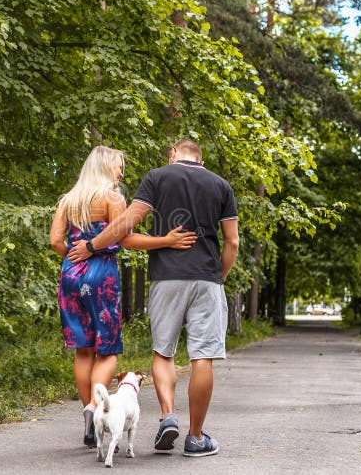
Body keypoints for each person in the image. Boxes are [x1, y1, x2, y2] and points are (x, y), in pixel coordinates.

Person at [68, 139, 239, 457]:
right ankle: (195, 437)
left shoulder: (157, 177)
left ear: (174, 154)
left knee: (164, 353)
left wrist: (91, 246)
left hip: (165, 278)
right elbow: (232, 242)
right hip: (207, 278)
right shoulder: (221, 185)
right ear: (200, 158)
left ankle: (167, 415)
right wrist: (219, 278)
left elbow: (124, 225)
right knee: (203, 358)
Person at [49, 145, 197, 448]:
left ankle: (87, 412)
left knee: (82, 350)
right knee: (108, 351)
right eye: (118, 166)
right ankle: (97, 406)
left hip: (70, 275)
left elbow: (55, 241)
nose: (122, 172)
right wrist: (166, 240)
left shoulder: (68, 201)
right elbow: (125, 238)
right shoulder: (113, 198)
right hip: (101, 275)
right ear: (104, 168)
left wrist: (73, 261)